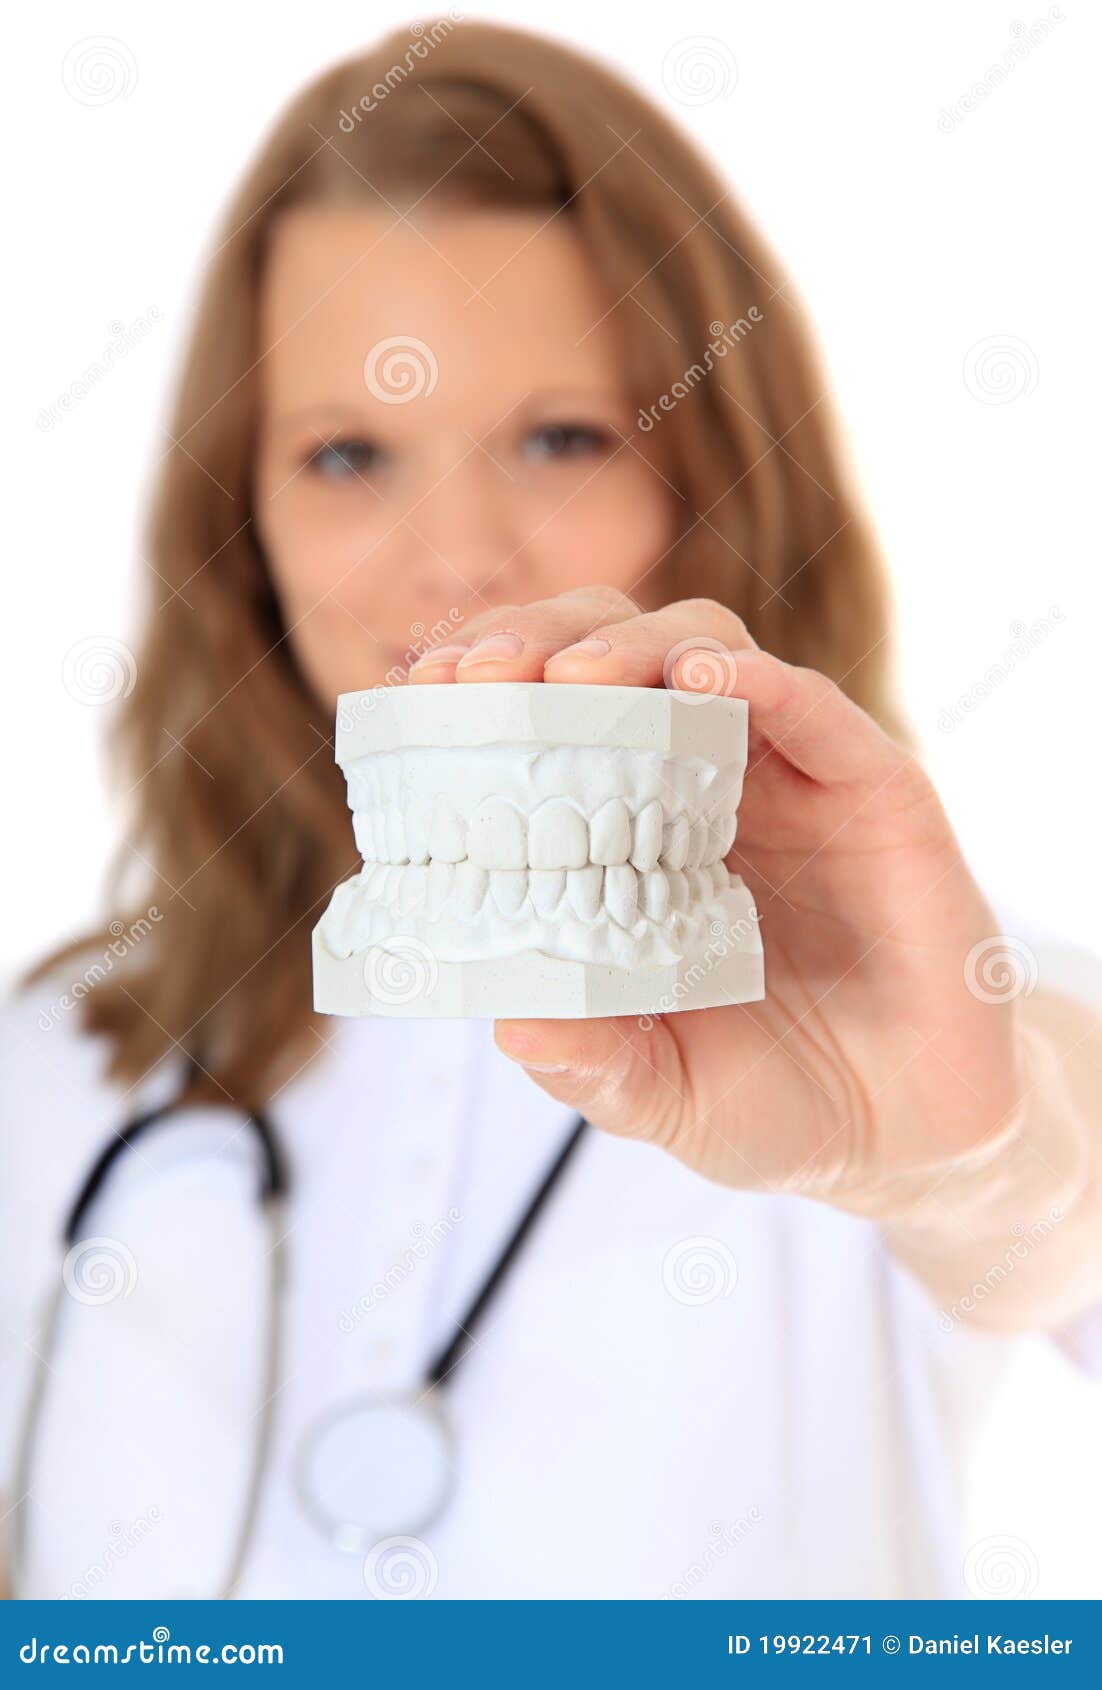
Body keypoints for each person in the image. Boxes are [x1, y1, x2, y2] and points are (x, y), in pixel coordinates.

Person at [3, 20, 1099, 1601]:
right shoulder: (54, 1071)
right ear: (245, 527)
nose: (455, 557)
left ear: (714, 484)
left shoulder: (918, 1001)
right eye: (347, 452)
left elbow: (1045, 1177)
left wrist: (964, 1151)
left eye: (560, 435)